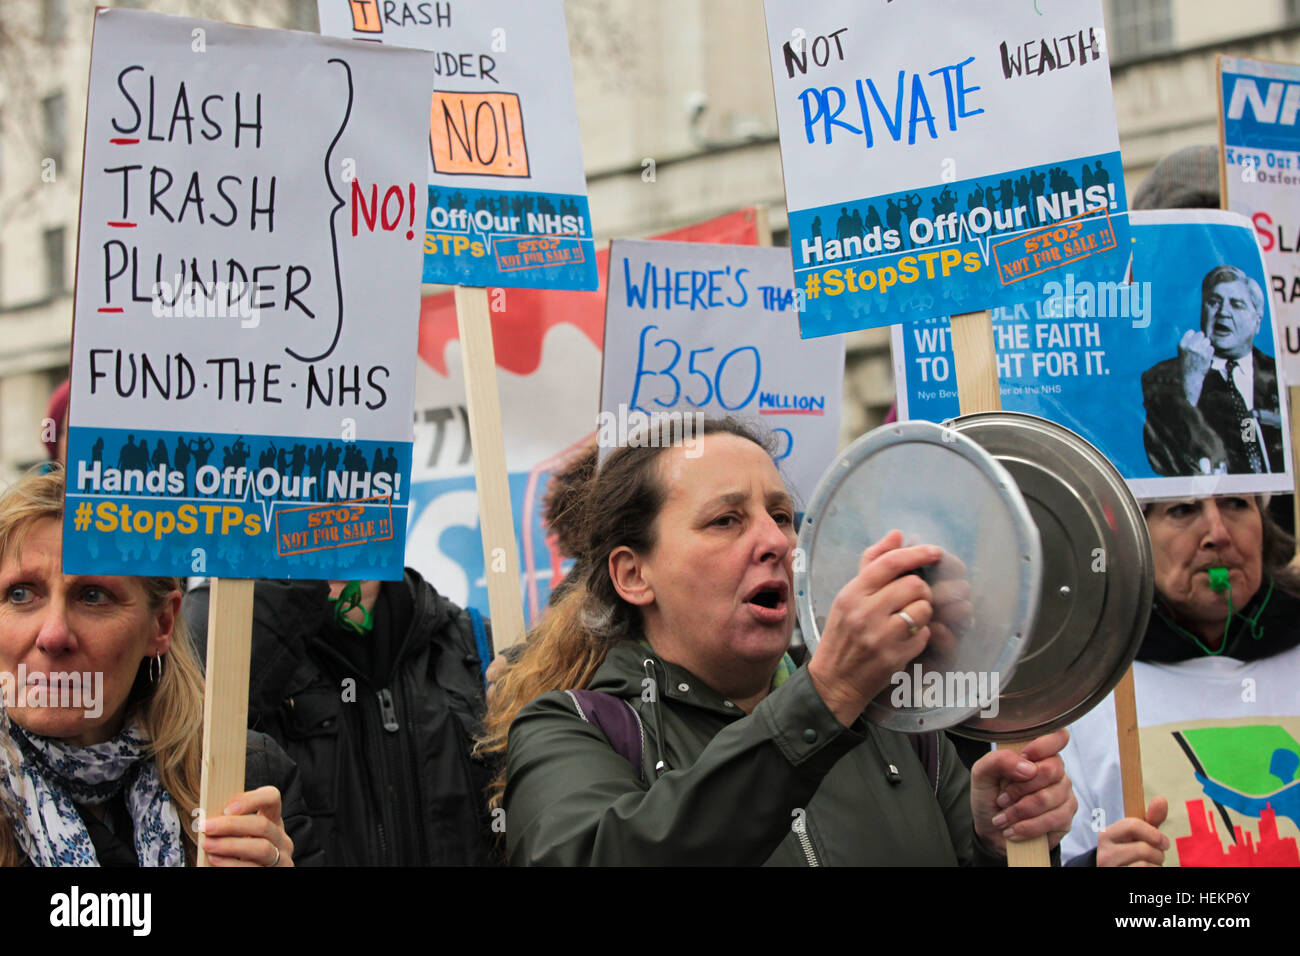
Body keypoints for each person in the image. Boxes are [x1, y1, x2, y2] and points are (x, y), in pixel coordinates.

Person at [481, 417, 1077, 865]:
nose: (775, 542)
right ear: (634, 575)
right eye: (726, 520)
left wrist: (993, 843)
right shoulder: (573, 729)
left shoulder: (892, 721)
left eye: (783, 516)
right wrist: (827, 696)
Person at [0, 468, 319, 866]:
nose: (53, 634)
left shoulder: (243, 779)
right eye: (20, 593)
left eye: (93, 595)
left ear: (162, 623)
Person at [182, 567, 499, 866]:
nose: (339, 511)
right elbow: (186, 713)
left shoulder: (477, 646)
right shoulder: (227, 625)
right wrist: (298, 569)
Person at [1061, 494, 1300, 866]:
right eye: (1182, 509)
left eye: (1236, 503)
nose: (1217, 534)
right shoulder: (1074, 691)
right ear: (1132, 535)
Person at [1141, 264, 1284, 476]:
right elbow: (1163, 459)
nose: (1223, 312)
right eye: (1213, 302)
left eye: (1237, 304)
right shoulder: (1162, 377)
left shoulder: (1279, 375)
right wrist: (1190, 382)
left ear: (1257, 321)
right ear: (1202, 311)